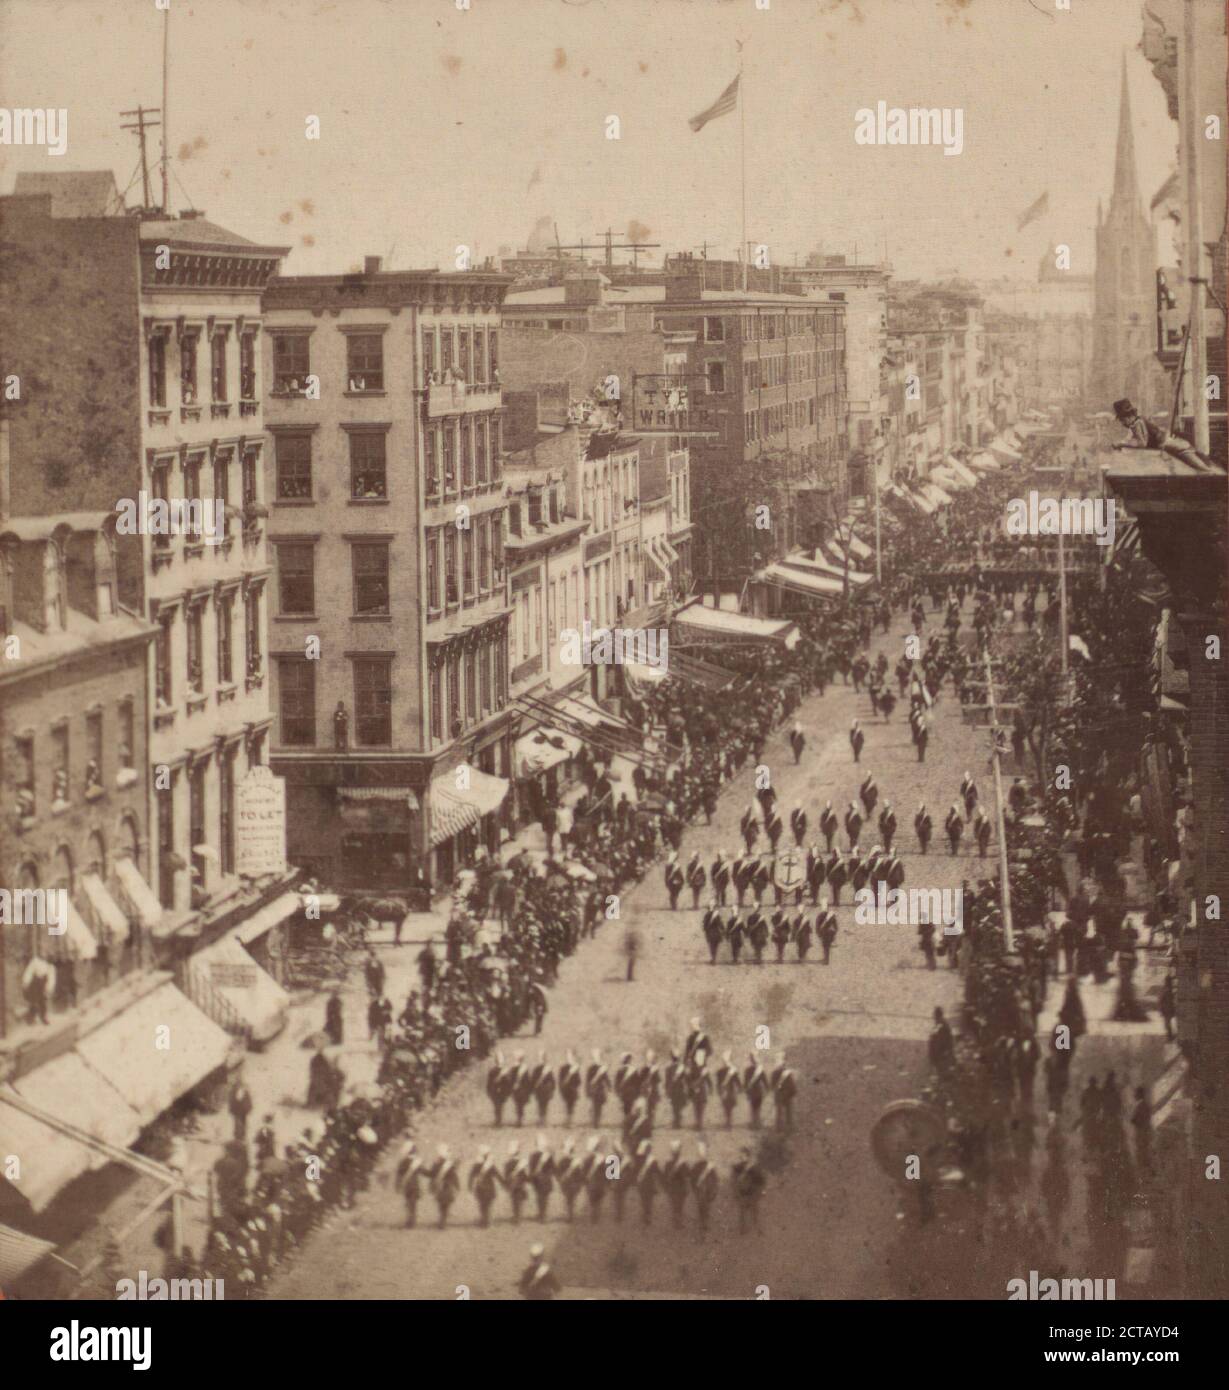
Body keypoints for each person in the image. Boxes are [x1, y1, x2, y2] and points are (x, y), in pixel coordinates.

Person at [732, 1147, 766, 1234]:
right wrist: (737, 1194)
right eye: (741, 1156)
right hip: (742, 1194)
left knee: (754, 1212)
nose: (742, 1157)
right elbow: (734, 1182)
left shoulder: (754, 1168)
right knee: (742, 1214)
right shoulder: (737, 1168)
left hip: (752, 1195)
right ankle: (743, 1230)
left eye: (744, 1156)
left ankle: (757, 1229)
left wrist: (758, 1193)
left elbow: (761, 1181)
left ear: (748, 1157)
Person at [928, 1006, 954, 1074]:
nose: (933, 1017)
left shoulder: (941, 1025)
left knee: (942, 1070)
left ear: (937, 1015)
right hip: (941, 1052)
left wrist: (934, 1054)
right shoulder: (941, 1024)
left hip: (940, 1053)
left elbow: (939, 1040)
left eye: (934, 1015)